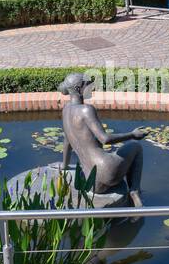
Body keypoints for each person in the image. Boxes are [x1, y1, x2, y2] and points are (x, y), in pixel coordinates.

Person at [58, 73, 149, 205]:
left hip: (92, 183)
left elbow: (67, 141)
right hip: (106, 170)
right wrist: (132, 134)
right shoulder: (86, 110)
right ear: (79, 89)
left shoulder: (65, 110)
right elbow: (105, 139)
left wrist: (65, 166)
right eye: (88, 84)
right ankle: (134, 192)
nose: (91, 87)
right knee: (136, 146)